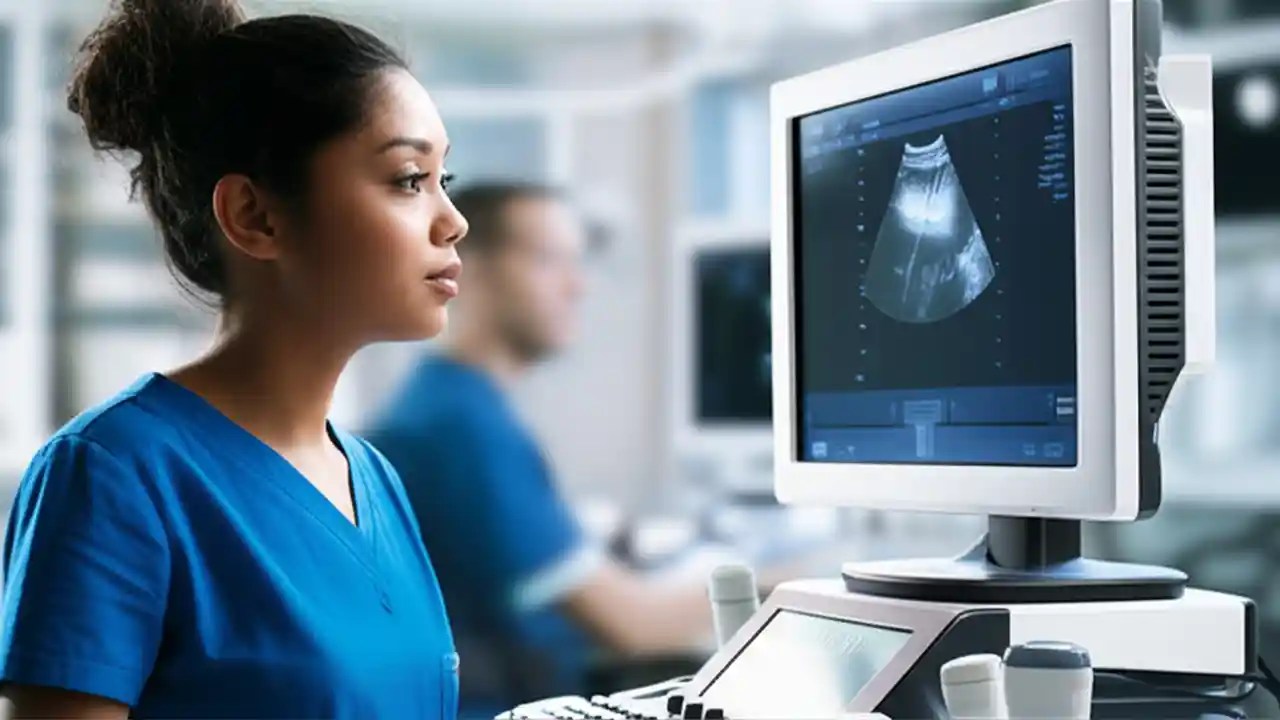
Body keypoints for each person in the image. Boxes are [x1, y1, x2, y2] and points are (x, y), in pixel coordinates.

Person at [0, 1, 468, 717]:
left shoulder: (376, 482)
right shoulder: (115, 476)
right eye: (409, 179)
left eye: (445, 181)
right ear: (254, 216)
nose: (452, 220)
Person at [366, 182, 713, 715]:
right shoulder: (462, 429)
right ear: (470, 270)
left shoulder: (450, 402)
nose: (579, 287)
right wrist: (789, 584)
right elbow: (636, 625)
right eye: (551, 260)